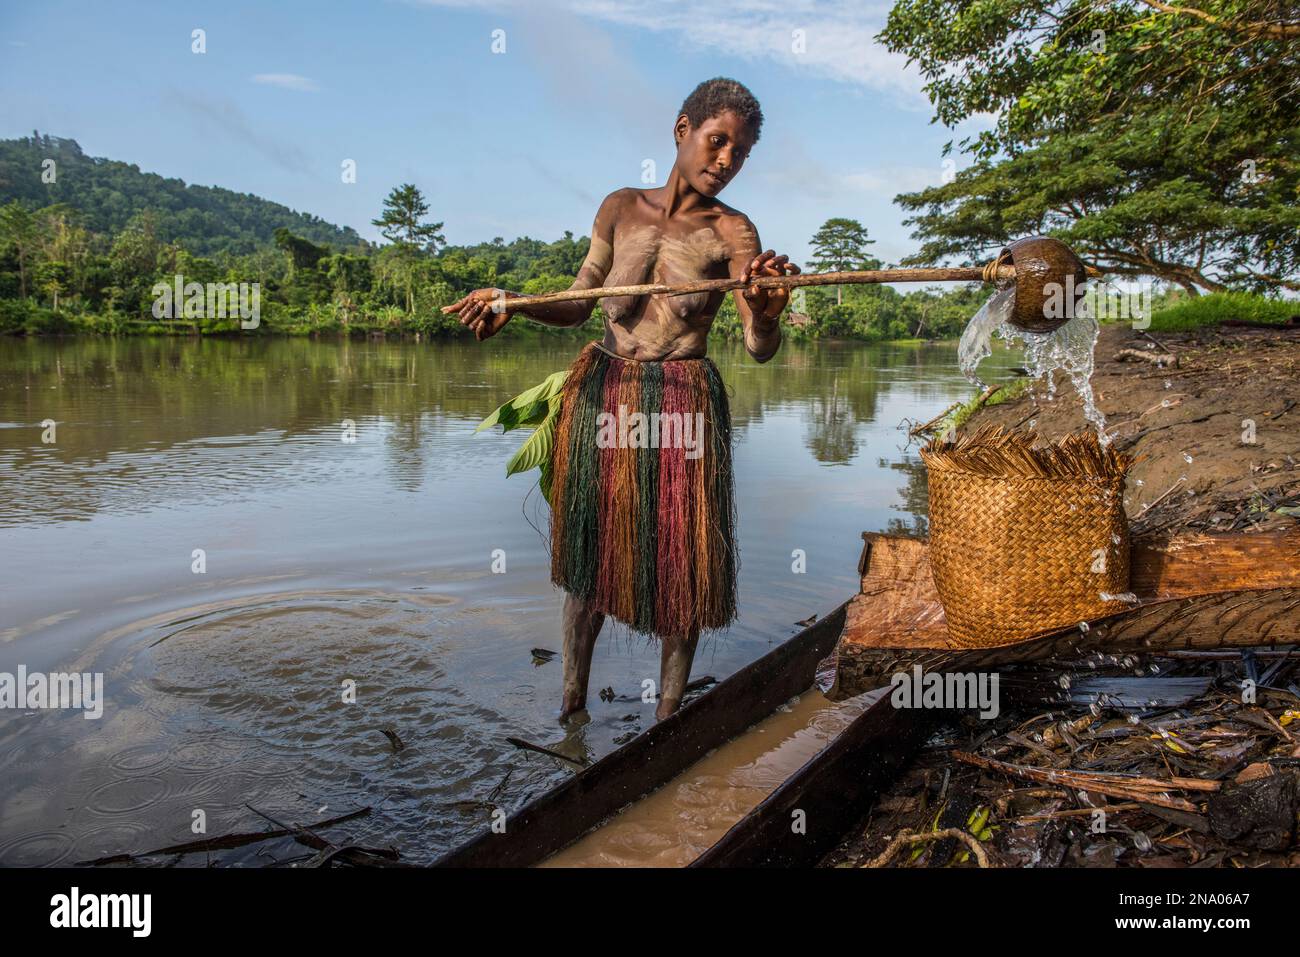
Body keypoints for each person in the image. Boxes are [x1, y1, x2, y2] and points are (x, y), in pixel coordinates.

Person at [445, 77, 799, 721]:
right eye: (718, 142)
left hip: (682, 399)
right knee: (590, 555)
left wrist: (768, 311)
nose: (726, 162)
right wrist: (515, 308)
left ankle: (667, 718)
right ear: (681, 130)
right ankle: (571, 708)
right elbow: (581, 302)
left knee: (681, 558)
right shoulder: (619, 207)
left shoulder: (734, 234)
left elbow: (757, 344)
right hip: (605, 390)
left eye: (740, 154)